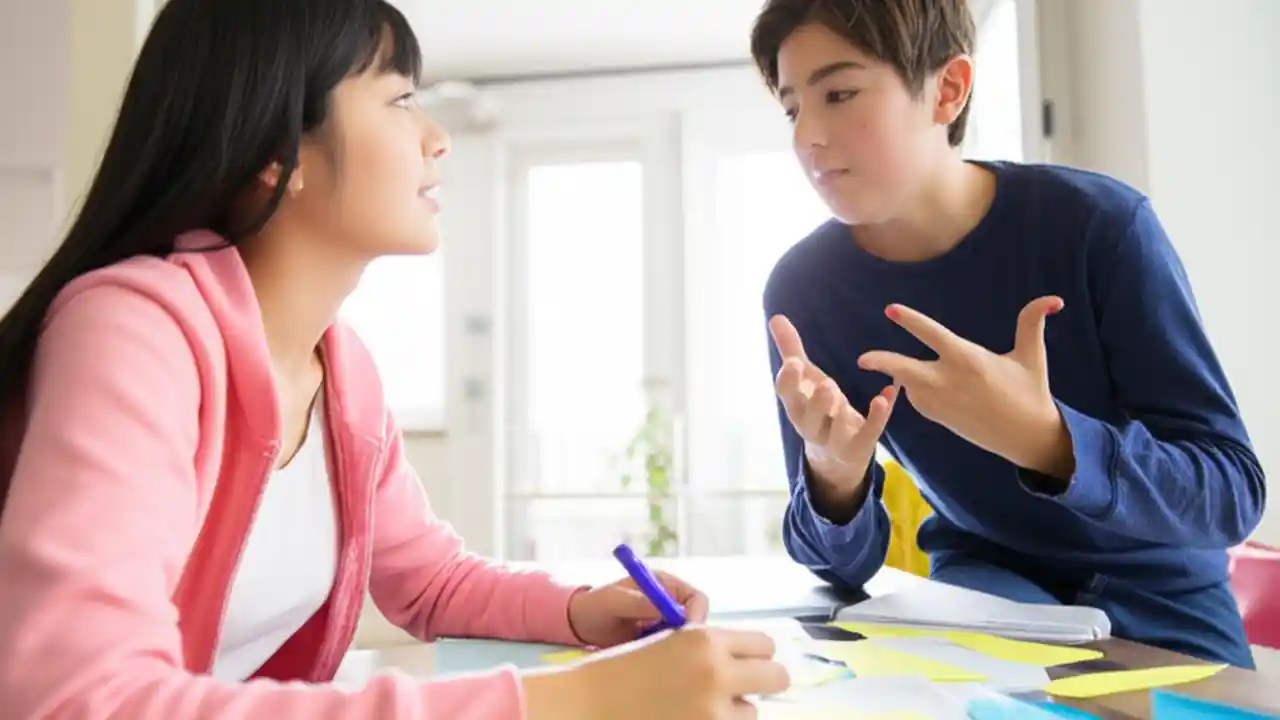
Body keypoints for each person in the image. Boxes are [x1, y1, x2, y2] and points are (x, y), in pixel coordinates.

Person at [0, 1, 790, 718]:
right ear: (280, 153)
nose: (436, 136)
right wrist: (568, 703)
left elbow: (431, 580)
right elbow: (78, 698)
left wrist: (582, 610)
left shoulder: (342, 372)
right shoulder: (133, 332)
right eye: (401, 98)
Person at [751, 0, 1265, 668]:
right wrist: (833, 480)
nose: (807, 138)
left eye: (839, 94)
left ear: (949, 89)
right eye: (793, 108)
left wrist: (1050, 441)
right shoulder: (802, 294)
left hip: (1166, 604)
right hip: (986, 595)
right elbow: (837, 570)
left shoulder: (1100, 228)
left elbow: (1230, 494)